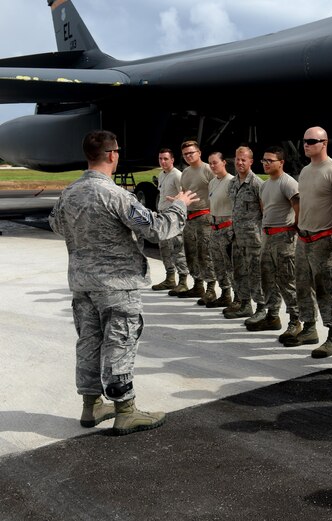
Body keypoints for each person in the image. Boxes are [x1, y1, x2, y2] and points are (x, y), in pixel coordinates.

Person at [49, 130, 199, 435]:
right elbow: (156, 229)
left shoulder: (69, 193)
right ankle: (125, 410)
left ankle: (91, 405)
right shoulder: (115, 195)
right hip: (116, 286)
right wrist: (180, 205)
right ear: (112, 154)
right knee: (120, 343)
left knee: (88, 343)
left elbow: (56, 224)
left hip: (82, 283)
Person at [284, 126, 332, 358]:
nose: (306, 144)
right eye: (305, 141)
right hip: (304, 239)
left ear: (324, 143)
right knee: (302, 285)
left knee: (329, 289)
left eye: (312, 141)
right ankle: (309, 328)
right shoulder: (305, 171)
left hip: (325, 241)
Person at [249, 146, 302, 342]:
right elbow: (265, 209)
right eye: (264, 160)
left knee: (287, 281)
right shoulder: (265, 185)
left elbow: (299, 207)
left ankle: (295, 321)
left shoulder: (288, 183)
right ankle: (272, 316)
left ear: (281, 163)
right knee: (267, 279)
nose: (266, 163)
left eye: (270, 160)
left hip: (284, 238)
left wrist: (293, 229)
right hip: (268, 237)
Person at [227, 145, 265, 320]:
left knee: (255, 274)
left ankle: (261, 308)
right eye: (237, 159)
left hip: (253, 239)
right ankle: (245, 305)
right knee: (239, 272)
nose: (240, 162)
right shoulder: (232, 183)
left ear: (251, 162)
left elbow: (264, 211)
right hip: (236, 237)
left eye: (244, 159)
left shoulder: (257, 184)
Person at [177, 140, 217, 301]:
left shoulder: (208, 170)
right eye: (185, 154)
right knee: (190, 253)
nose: (188, 156)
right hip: (190, 217)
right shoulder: (185, 173)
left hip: (205, 216)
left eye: (191, 153)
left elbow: (218, 191)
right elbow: (185, 193)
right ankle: (197, 285)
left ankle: (211, 288)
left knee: (205, 253)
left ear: (199, 153)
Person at [150, 148, 189, 293]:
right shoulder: (162, 174)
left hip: (173, 218)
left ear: (172, 160)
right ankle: (170, 278)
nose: (162, 161)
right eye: (160, 159)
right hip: (162, 217)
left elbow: (184, 194)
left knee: (177, 249)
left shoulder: (177, 175)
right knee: (164, 248)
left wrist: (176, 201)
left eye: (166, 159)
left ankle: (183, 281)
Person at [203, 151, 235, 308]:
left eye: (215, 162)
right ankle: (225, 294)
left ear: (224, 162)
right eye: (210, 163)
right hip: (214, 229)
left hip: (227, 228)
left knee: (231, 266)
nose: (212, 166)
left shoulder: (231, 182)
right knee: (218, 264)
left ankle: (239, 298)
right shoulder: (212, 182)